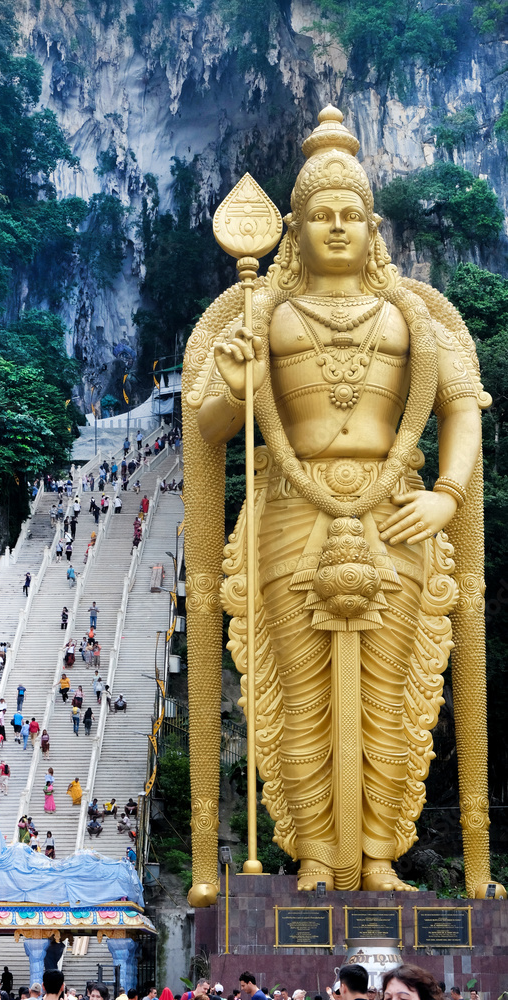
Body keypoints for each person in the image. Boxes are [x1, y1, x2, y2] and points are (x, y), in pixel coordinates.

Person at [185, 104, 504, 898]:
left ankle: (377, 857)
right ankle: (316, 860)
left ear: (371, 228)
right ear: (291, 229)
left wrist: (446, 493)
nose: (335, 228)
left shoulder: (416, 315)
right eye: (318, 216)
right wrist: (235, 375)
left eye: (349, 216)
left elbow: (460, 404)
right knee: (297, 696)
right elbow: (212, 423)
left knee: (393, 698)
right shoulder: (260, 312)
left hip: (396, 510)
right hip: (290, 513)